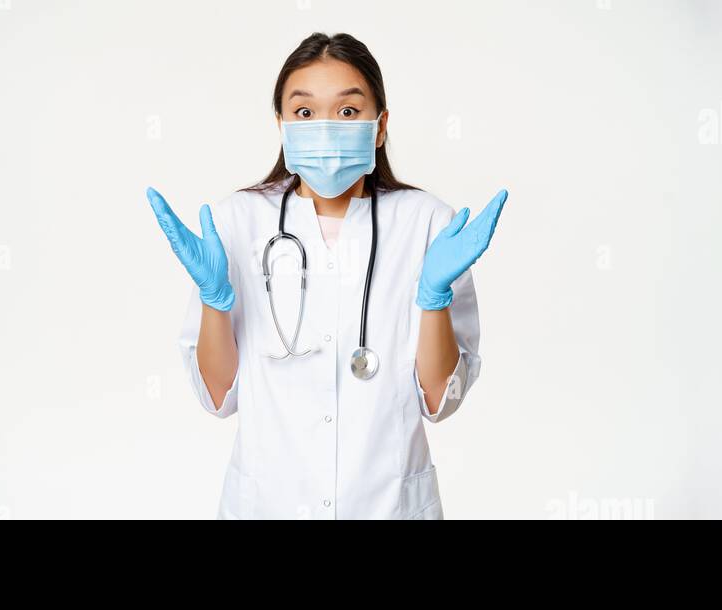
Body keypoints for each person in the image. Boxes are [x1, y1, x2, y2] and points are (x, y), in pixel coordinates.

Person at [146, 32, 507, 519]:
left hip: (388, 505)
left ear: (380, 126)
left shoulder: (428, 225)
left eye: (347, 111)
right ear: (281, 125)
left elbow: (442, 399)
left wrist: (434, 298)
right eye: (304, 112)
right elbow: (217, 395)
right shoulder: (237, 222)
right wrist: (216, 299)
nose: (325, 127)